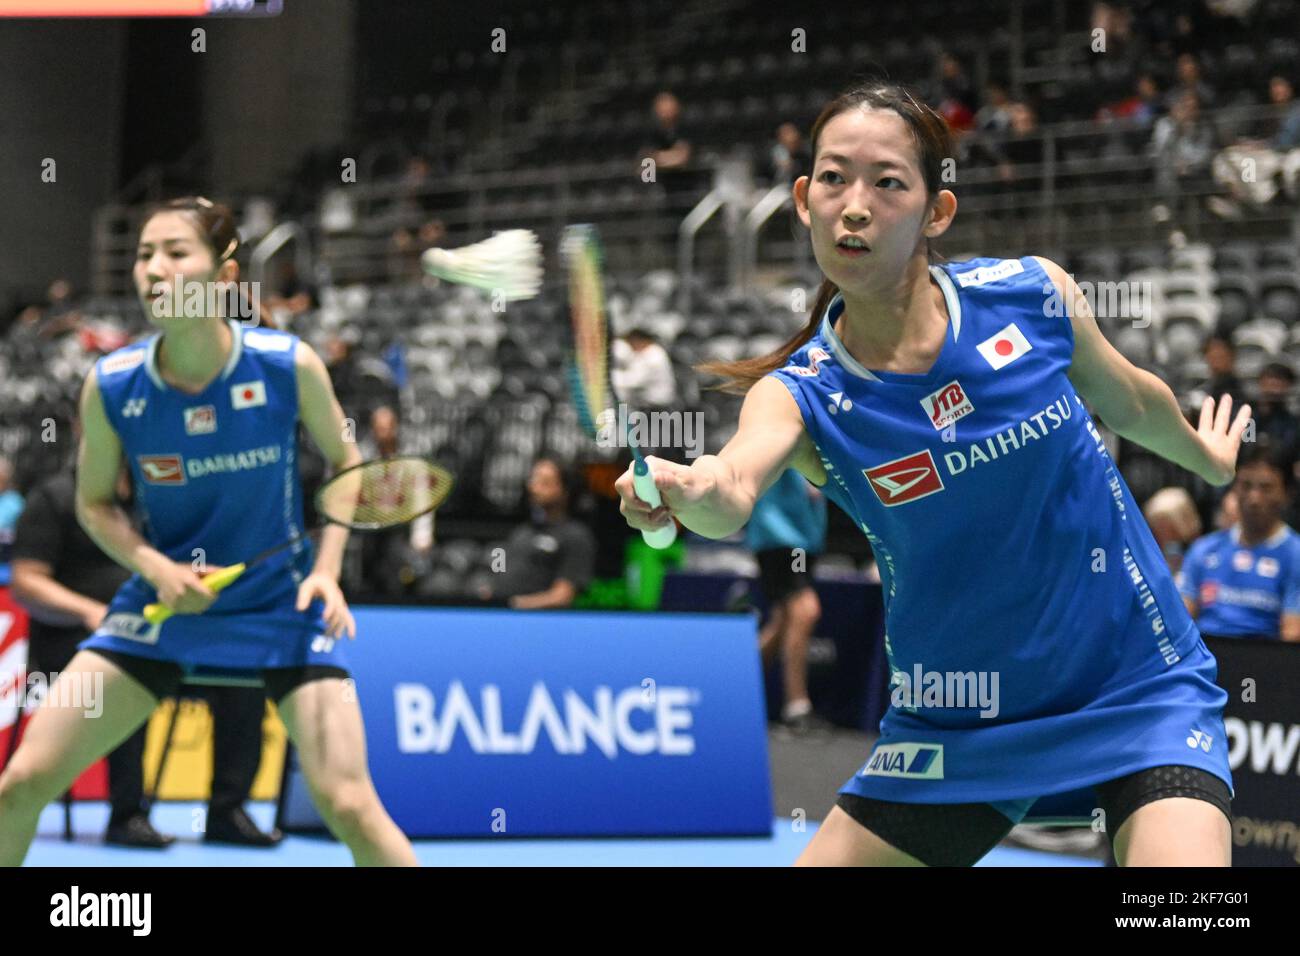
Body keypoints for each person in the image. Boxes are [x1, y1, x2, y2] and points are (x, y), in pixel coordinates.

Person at [616, 82, 1246, 867]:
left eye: (887, 183)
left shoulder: (1030, 296)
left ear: (935, 211)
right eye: (835, 179)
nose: (855, 206)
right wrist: (685, 492)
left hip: (1133, 688)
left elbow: (1131, 402)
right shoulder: (806, 394)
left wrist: (1206, 455)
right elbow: (732, 491)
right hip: (955, 723)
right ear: (804, 200)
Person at [0, 197, 417, 866]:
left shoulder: (287, 365)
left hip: (282, 608)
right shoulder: (112, 385)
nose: (153, 271)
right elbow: (95, 505)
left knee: (350, 805)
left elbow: (347, 462)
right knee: (20, 786)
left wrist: (328, 569)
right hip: (163, 608)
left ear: (224, 276)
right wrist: (154, 567)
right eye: (143, 255)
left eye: (174, 253)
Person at [1178, 440, 1300, 642]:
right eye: (1246, 485)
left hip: (1265, 665)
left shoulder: (1295, 555)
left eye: (1266, 487)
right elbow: (1179, 625)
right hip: (1204, 663)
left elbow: (1292, 635)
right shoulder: (1204, 549)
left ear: (1286, 493)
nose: (1254, 498)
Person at [746, 468, 827, 733]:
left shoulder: (821, 439)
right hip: (781, 541)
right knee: (806, 609)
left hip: (805, 541)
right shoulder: (781, 431)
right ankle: (797, 707)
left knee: (784, 621)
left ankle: (733, 689)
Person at [480, 457, 595, 609]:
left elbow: (563, 596)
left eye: (545, 483)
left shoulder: (576, 536)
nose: (534, 488)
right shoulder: (521, 532)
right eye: (533, 481)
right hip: (503, 620)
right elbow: (501, 573)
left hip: (541, 624)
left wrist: (516, 604)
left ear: (565, 490)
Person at [1142, 486, 1203, 574]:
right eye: (1155, 524)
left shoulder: (1202, 550)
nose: (1159, 531)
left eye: (1165, 523)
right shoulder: (1150, 550)